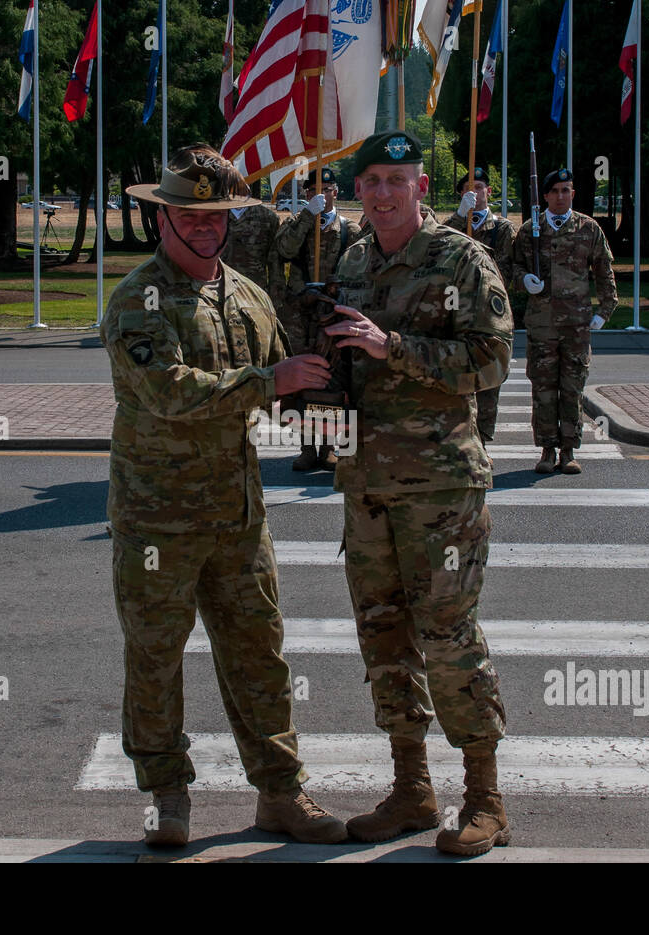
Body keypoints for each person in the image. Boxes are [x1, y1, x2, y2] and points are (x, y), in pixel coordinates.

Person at [102, 144, 347, 848]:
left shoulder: (247, 294)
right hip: (158, 519)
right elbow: (170, 393)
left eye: (218, 216)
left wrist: (334, 395)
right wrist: (275, 383)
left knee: (258, 651)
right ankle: (167, 792)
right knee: (156, 654)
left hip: (238, 514)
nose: (208, 228)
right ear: (162, 220)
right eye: (192, 216)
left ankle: (280, 791)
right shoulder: (137, 300)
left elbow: (285, 393)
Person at [322, 130, 512, 856]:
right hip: (365, 484)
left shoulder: (460, 258)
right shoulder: (352, 258)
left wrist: (391, 346)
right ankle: (410, 788)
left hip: (439, 489)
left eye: (394, 180)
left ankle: (486, 799)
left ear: (420, 185)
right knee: (382, 634)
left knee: (448, 637)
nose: (380, 193)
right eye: (369, 181)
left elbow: (491, 359)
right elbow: (348, 363)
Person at [514, 168, 618, 475]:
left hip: (576, 324)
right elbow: (512, 268)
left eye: (567, 190)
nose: (562, 195)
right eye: (556, 190)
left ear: (573, 194)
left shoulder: (588, 228)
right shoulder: (531, 230)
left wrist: (605, 310)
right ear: (545, 195)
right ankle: (547, 449)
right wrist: (524, 280)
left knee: (572, 388)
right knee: (544, 388)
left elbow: (604, 271)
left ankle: (569, 450)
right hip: (542, 324)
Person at [274, 167, 355, 472]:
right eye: (311, 191)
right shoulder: (298, 224)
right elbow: (284, 249)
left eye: (326, 189)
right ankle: (307, 447)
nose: (319, 194)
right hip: (301, 315)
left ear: (337, 192)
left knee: (332, 379)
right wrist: (308, 215)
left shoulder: (350, 230)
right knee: (301, 381)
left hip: (333, 314)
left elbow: (358, 266)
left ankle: (329, 446)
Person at [444, 167, 519, 444]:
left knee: (488, 381)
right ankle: (460, 441)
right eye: (468, 188)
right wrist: (460, 218)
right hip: (456, 313)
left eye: (479, 187)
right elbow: (438, 252)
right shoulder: (452, 225)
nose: (474, 192)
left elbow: (509, 271)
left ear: (489, 192)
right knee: (459, 379)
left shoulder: (502, 230)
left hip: (489, 314)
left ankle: (483, 442)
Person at [223, 180, 282, 298]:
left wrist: (276, 297)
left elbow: (274, 262)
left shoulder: (267, 218)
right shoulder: (213, 215)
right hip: (220, 291)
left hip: (255, 293)